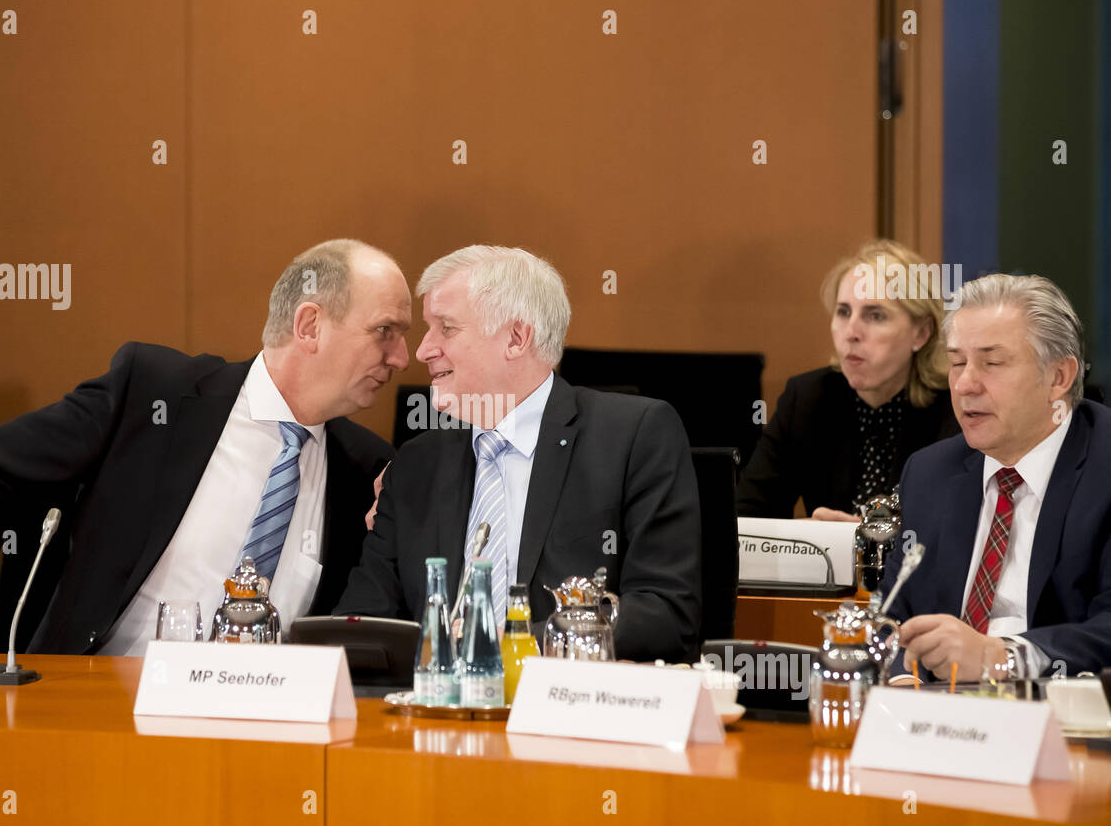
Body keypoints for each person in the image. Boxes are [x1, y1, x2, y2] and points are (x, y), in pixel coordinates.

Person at [0, 238, 411, 654]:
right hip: (97, 711)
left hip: (262, 740)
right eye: (384, 331)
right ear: (309, 326)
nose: (402, 358)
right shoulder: (153, 394)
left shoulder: (367, 469)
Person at [335, 245, 702, 662]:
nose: (422, 350)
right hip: (435, 715)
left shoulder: (632, 436)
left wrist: (506, 644)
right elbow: (364, 625)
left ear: (516, 338)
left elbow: (667, 617)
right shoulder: (416, 464)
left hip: (571, 711)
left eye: (446, 328)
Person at [880, 273, 1111, 680]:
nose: (965, 384)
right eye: (957, 362)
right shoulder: (929, 473)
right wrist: (901, 682)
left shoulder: (1103, 464)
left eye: (992, 363)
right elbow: (893, 613)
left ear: (1059, 377)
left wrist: (1001, 658)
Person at [737, 239, 960, 521]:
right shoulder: (807, 398)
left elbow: (957, 532)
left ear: (921, 333)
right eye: (843, 312)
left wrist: (870, 540)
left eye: (875, 315)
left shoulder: (955, 409)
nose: (851, 332)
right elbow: (746, 520)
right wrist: (808, 537)